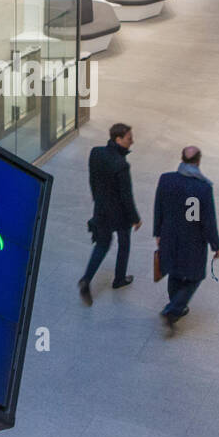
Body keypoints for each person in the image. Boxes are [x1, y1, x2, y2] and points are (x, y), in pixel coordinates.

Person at [153, 145, 219, 326]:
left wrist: (157, 232)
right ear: (198, 161)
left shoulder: (166, 179)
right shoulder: (203, 188)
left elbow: (158, 207)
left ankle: (175, 304)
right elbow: (208, 221)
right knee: (195, 276)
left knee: (174, 272)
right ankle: (174, 308)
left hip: (169, 235)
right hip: (193, 239)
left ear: (181, 159)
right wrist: (216, 245)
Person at [78, 122, 141, 305]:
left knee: (102, 245)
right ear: (118, 139)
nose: (132, 141)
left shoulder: (96, 152)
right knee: (124, 243)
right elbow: (126, 196)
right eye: (129, 138)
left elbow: (92, 179)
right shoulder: (121, 165)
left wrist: (97, 200)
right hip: (120, 214)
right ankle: (119, 278)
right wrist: (135, 218)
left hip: (101, 209)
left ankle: (86, 279)